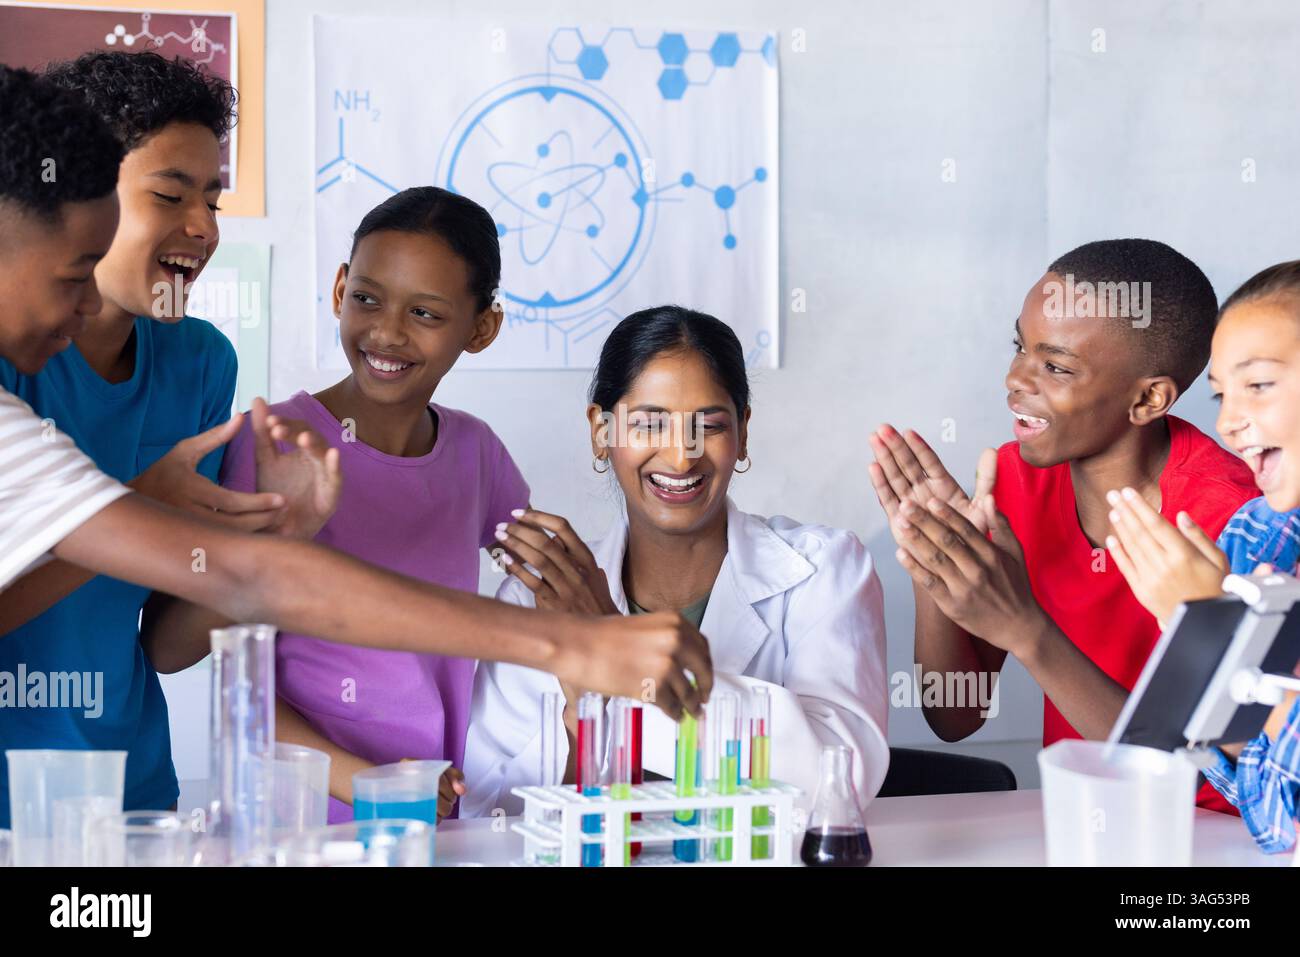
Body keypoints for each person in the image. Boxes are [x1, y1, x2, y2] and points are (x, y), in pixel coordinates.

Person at [0, 64, 711, 819]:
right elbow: (243, 584)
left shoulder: (201, 369)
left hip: (128, 786)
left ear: (480, 328)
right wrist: (571, 646)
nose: (205, 227)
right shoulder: (33, 379)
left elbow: (211, 585)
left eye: (212, 199)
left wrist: (591, 635)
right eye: (171, 195)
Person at [146, 187, 530, 822]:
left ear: (481, 328)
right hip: (295, 823)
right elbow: (177, 653)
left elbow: (538, 603)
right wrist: (368, 782)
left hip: (432, 823)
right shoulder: (267, 446)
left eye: (426, 314)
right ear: (339, 289)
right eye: (367, 298)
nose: (387, 331)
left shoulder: (478, 455)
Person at [868, 239, 1258, 811]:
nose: (1016, 379)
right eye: (1019, 347)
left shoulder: (1231, 520)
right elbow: (955, 716)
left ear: (1149, 398)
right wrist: (938, 560)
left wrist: (1029, 633)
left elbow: (1185, 776)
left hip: (1220, 845)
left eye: (1055, 366)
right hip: (1085, 832)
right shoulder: (1012, 484)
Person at [463, 306, 888, 815]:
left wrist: (612, 651)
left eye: (708, 425)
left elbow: (839, 782)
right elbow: (489, 814)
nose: (682, 457)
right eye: (648, 424)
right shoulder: (538, 598)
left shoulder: (825, 572)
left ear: (742, 432)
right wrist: (583, 715)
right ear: (602, 431)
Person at [1107, 260, 1300, 850]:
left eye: (1259, 384)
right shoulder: (1257, 537)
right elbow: (1260, 796)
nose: (1227, 421)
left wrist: (1218, 630)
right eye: (1221, 394)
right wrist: (1201, 629)